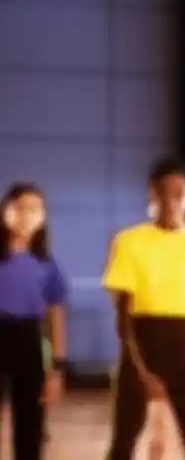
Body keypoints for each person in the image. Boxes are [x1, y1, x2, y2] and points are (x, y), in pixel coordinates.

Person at [101, 158, 185, 460]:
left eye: (179, 193)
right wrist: (142, 371)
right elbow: (123, 316)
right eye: (164, 193)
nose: (171, 202)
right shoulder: (129, 241)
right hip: (141, 344)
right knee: (123, 441)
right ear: (151, 195)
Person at [0, 183, 67, 460]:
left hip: (28, 341)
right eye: (19, 208)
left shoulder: (47, 264)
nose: (26, 215)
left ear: (42, 218)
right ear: (6, 211)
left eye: (34, 209)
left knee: (30, 425)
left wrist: (58, 367)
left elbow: (57, 315)